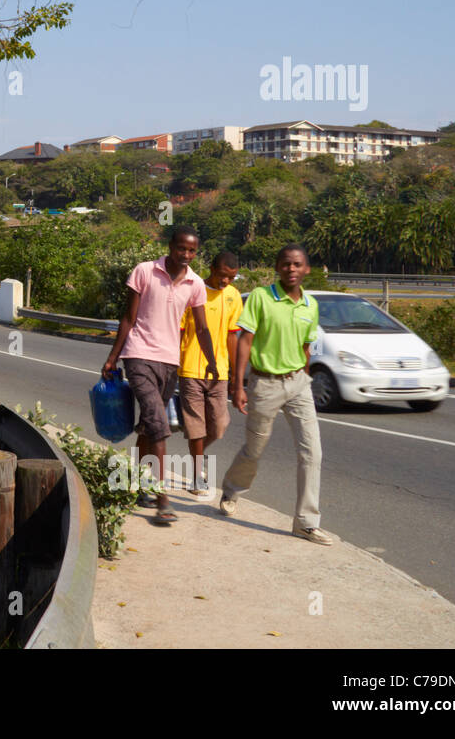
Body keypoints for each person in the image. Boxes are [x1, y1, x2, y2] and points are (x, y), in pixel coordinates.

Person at [102, 226, 219, 524]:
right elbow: (128, 317)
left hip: (170, 362)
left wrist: (212, 363)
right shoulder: (144, 271)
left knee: (148, 426)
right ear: (170, 246)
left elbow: (202, 328)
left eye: (192, 250)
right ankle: (162, 498)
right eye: (181, 248)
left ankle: (138, 484)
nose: (186, 254)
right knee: (159, 421)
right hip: (138, 355)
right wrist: (113, 357)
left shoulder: (195, 284)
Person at [219, 243, 332, 545]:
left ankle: (306, 523)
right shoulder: (261, 297)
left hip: (298, 383)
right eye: (285, 264)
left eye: (297, 265)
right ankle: (232, 489)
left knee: (312, 452)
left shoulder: (310, 305)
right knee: (255, 449)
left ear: (306, 269)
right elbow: (245, 340)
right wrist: (237, 384)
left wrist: (304, 377)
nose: (291, 270)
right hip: (264, 384)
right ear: (277, 267)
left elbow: (306, 347)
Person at [178, 250, 242, 498]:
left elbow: (231, 335)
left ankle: (196, 455)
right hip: (191, 367)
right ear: (213, 269)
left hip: (220, 372)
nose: (226, 281)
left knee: (219, 425)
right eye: (223, 276)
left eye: (232, 278)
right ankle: (197, 475)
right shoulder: (193, 291)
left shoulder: (234, 296)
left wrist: (236, 375)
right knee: (197, 426)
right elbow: (180, 330)